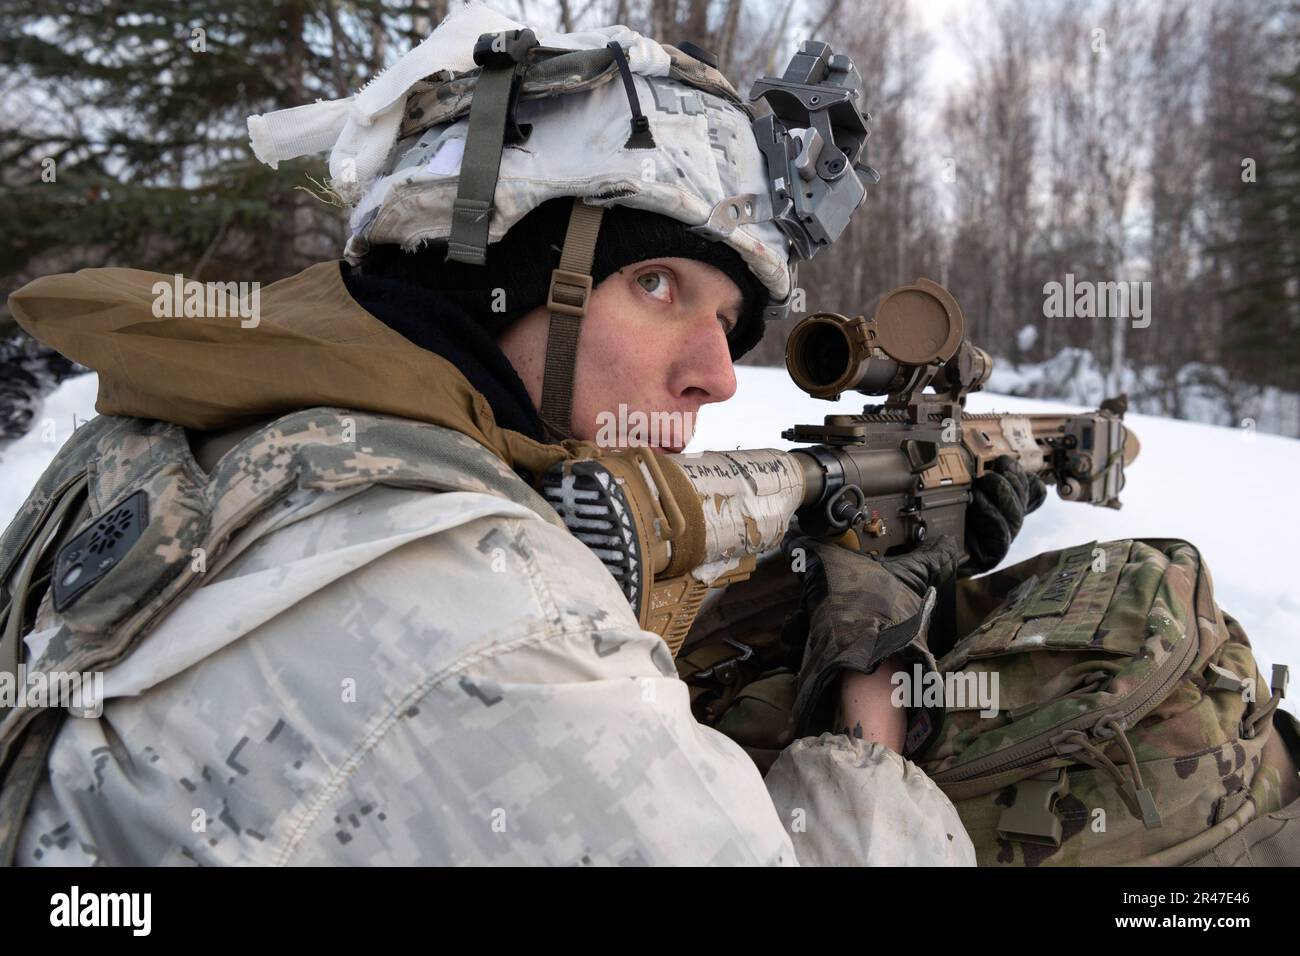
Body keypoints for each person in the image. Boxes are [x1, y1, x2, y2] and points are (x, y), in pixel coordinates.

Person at [0, 6, 1040, 866]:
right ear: (496, 268)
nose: (718, 373)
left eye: (728, 324)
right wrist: (867, 710)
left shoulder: (198, 422)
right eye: (659, 284)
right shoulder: (491, 617)